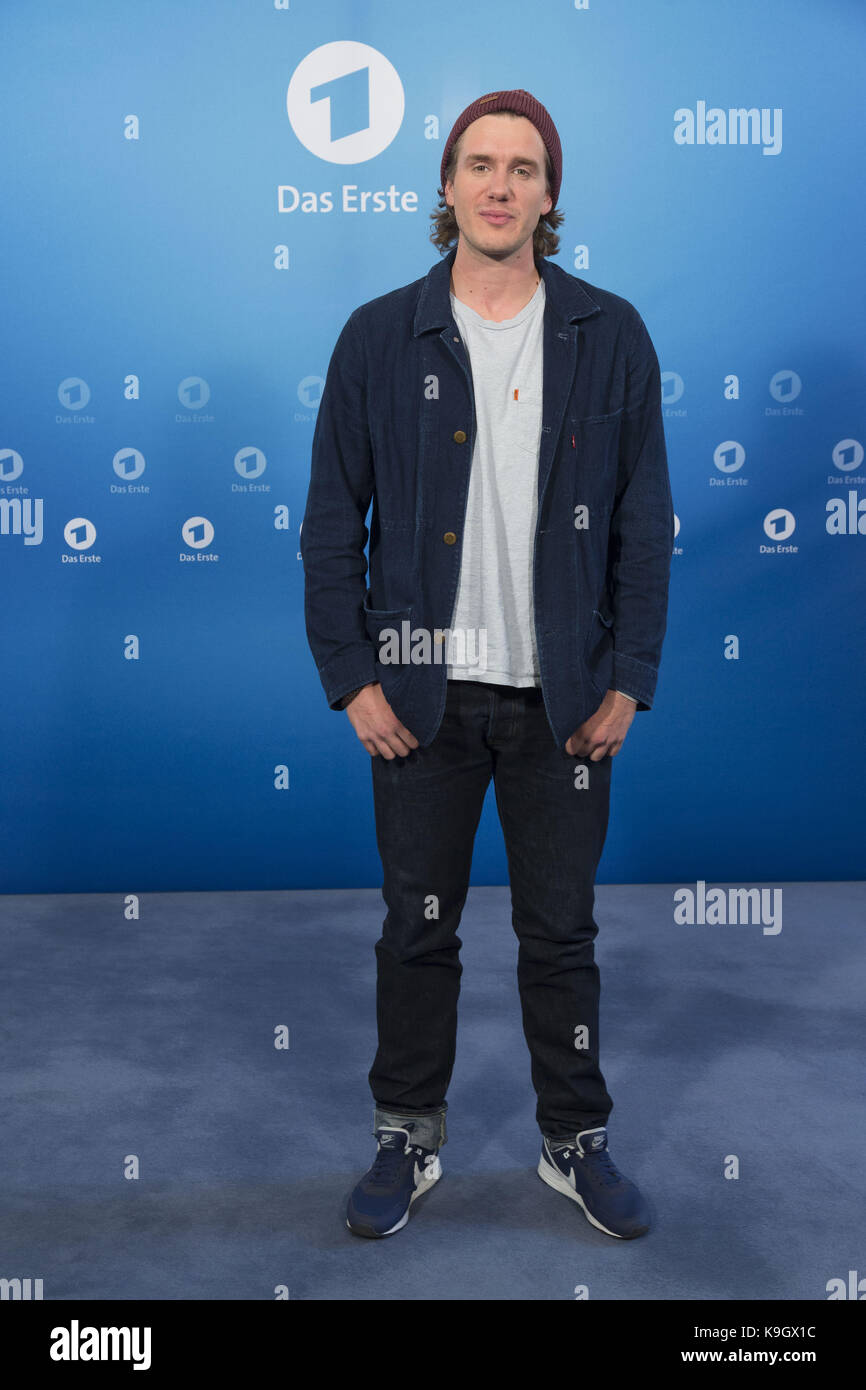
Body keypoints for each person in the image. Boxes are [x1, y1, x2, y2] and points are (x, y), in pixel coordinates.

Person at [301, 89, 674, 1241]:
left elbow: (641, 521)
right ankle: (405, 1136)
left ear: (548, 194)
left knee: (558, 933)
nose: (499, 184)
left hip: (563, 700)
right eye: (478, 164)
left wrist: (628, 675)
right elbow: (329, 526)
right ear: (447, 187)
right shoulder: (378, 335)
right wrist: (353, 677)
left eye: (521, 167)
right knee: (417, 928)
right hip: (420, 696)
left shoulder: (609, 333)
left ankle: (574, 1142)